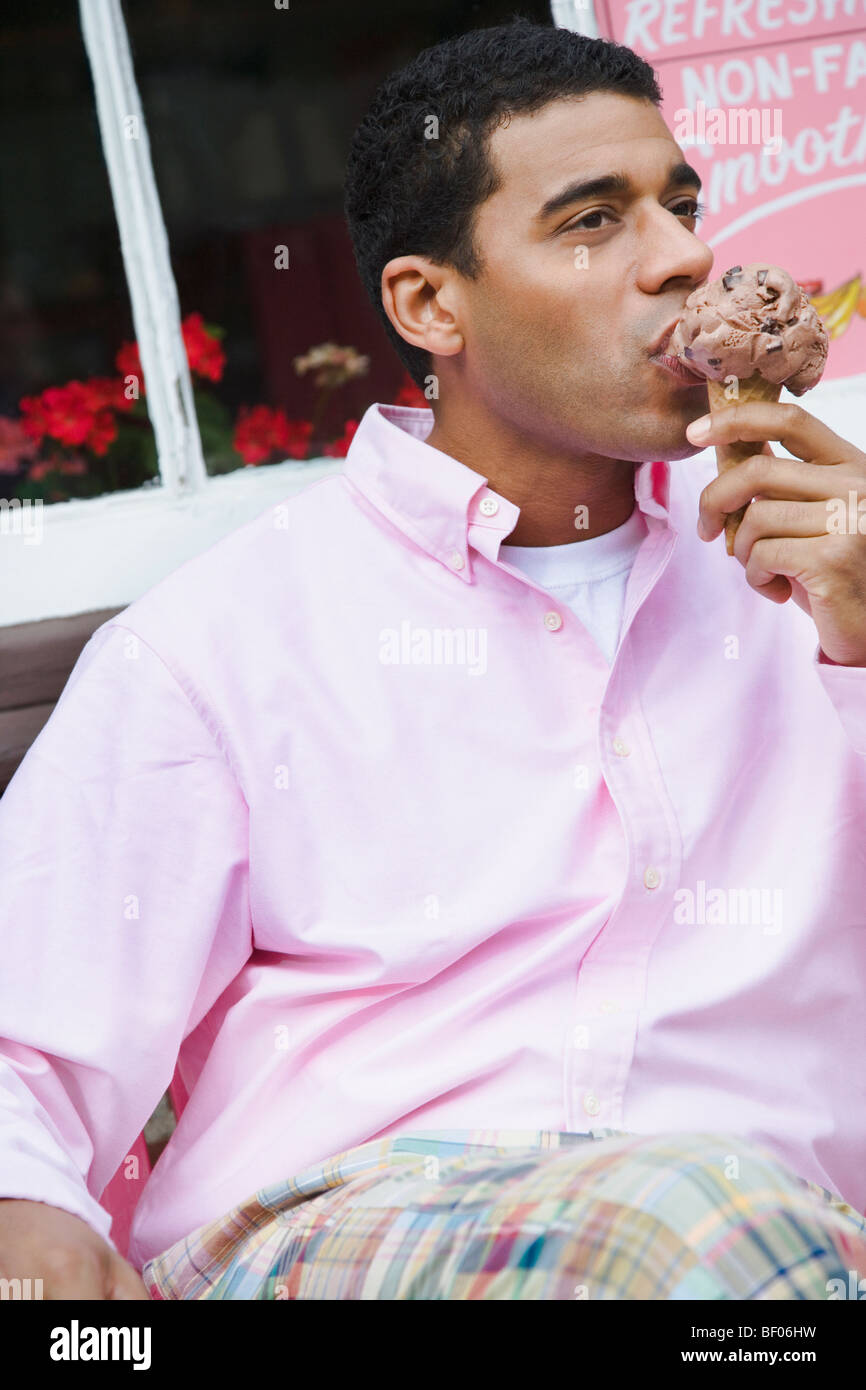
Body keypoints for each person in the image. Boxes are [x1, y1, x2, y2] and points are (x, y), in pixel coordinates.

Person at [2, 17, 866, 1302]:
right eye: (591, 220)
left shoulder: (818, 588)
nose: (683, 257)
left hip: (780, 1259)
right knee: (696, 1214)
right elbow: (25, 1042)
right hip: (347, 1232)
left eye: (680, 205)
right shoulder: (226, 642)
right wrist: (31, 1224)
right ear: (427, 305)